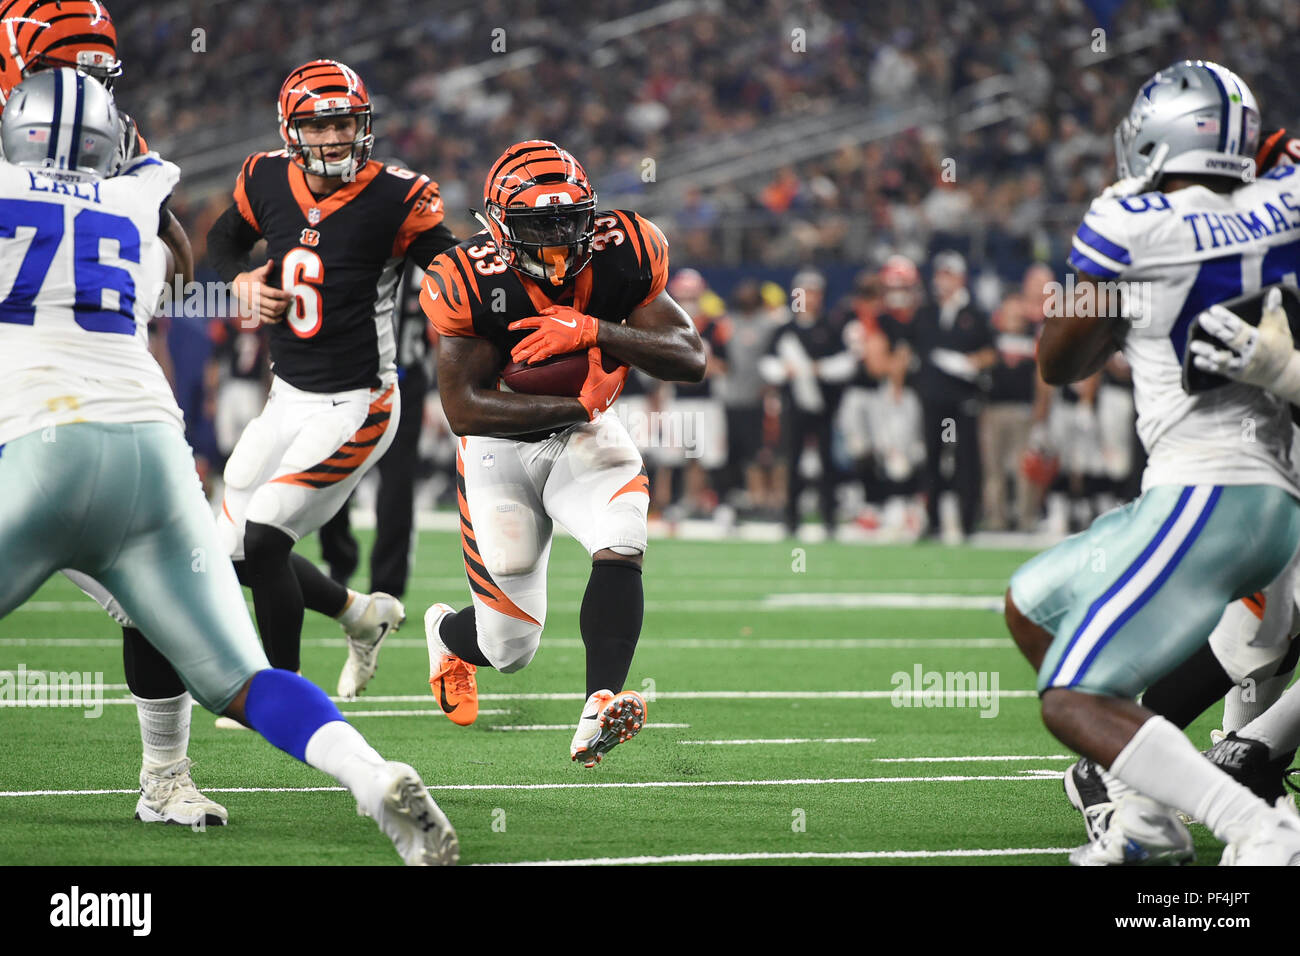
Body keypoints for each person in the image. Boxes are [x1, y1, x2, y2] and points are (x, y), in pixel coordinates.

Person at [0, 68, 457, 865]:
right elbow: (182, 261)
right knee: (220, 660)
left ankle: (174, 771)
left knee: (259, 546)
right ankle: (363, 773)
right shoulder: (139, 190)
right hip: (149, 449)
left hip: (37, 445)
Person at [1005, 60, 1300, 865]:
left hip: (1214, 487)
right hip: (1263, 487)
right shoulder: (1287, 198)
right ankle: (1140, 815)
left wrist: (1098, 298)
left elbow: (1058, 360)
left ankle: (1254, 822)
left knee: (1072, 693)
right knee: (1031, 606)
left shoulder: (1129, 218)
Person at [0, 0, 226, 825]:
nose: (87, 88)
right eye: (69, 70)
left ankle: (165, 777)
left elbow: (174, 270)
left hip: (62, 415)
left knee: (150, 595)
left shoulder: (98, 141)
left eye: (97, 73)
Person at [419, 140, 705, 766]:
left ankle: (599, 701)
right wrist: (579, 405)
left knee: (623, 534)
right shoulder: (465, 279)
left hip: (586, 435)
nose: (555, 241)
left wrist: (595, 329)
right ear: (498, 228)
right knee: (510, 648)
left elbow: (692, 357)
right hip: (500, 449)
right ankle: (445, 633)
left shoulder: (623, 251)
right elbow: (463, 409)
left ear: (591, 215)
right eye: (536, 226)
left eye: (567, 222)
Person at [205, 59, 459, 703]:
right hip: (286, 395)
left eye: (344, 121)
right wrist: (237, 278)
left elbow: (452, 266)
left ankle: (278, 696)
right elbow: (220, 244)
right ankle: (358, 613)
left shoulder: (396, 195)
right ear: (292, 130)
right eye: (318, 126)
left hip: (358, 402)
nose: (334, 137)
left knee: (264, 534)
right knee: (227, 549)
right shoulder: (263, 175)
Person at [317, 259, 433, 600]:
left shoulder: (426, 262)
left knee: (397, 486)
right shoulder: (357, 252)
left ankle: (387, 588)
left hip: (406, 382)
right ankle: (339, 560)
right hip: (351, 383)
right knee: (333, 476)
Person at [902, 250, 996, 539]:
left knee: (964, 461)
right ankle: (932, 521)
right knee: (931, 460)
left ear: (961, 278)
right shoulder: (926, 312)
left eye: (949, 274)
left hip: (961, 401)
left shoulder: (975, 314)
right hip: (932, 400)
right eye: (940, 274)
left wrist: (969, 364)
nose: (943, 280)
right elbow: (909, 349)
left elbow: (991, 353)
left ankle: (967, 522)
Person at [759, 270, 855, 537]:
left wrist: (819, 369)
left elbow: (847, 364)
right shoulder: (785, 330)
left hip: (825, 407)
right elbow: (767, 364)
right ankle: (791, 519)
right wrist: (784, 370)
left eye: (813, 293)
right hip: (794, 407)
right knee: (793, 462)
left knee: (828, 462)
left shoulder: (830, 328)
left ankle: (829, 518)